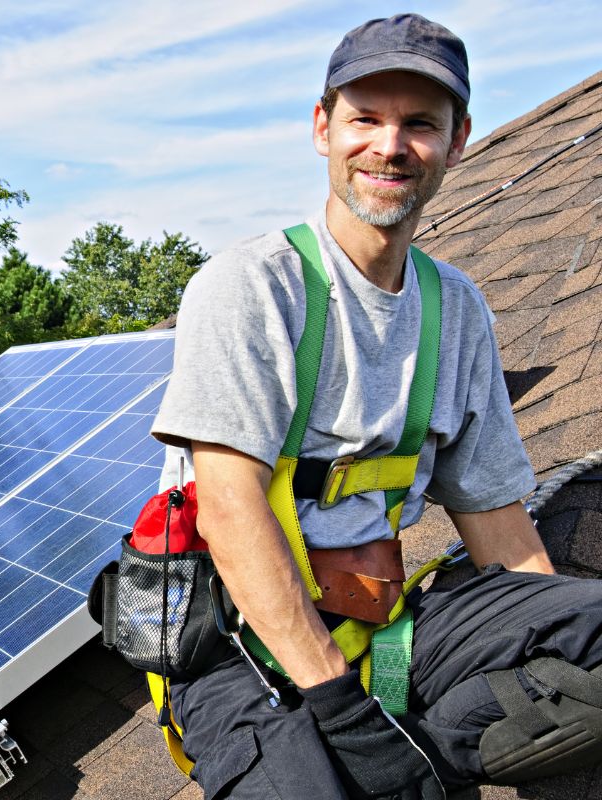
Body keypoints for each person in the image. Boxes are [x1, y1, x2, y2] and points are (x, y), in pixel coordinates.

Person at [149, 13, 602, 799]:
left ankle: (427, 749)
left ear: (457, 141)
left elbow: (497, 518)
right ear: (323, 128)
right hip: (241, 645)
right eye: (366, 118)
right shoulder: (252, 287)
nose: (390, 146)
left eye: (421, 124)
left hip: (386, 625)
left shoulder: (455, 309)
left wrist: (546, 623)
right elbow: (228, 511)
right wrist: (344, 711)